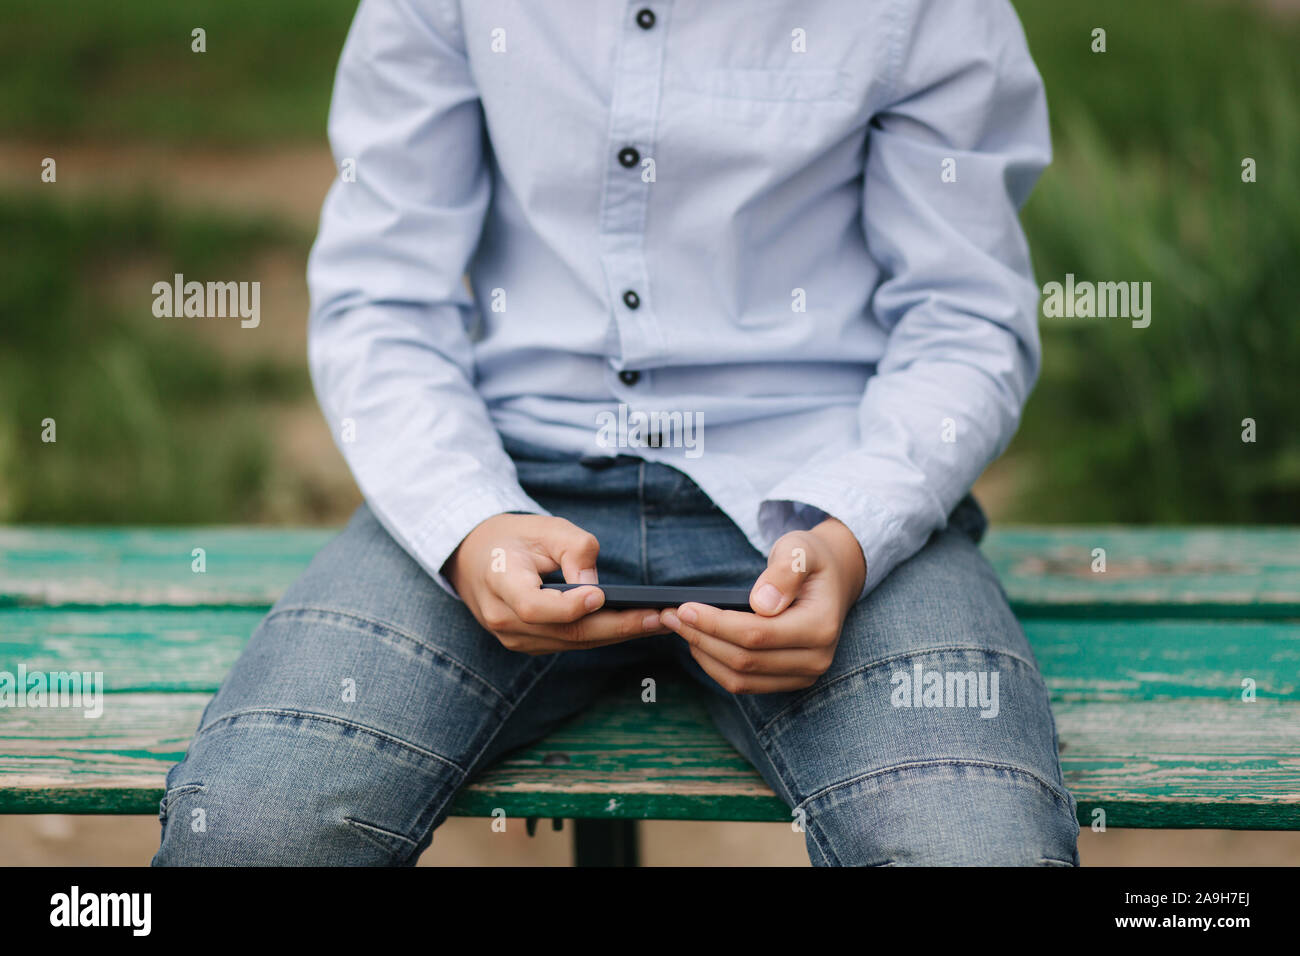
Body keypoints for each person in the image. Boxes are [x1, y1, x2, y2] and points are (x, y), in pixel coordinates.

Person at [154, 0, 1079, 866]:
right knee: (250, 827)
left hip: (820, 498)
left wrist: (849, 538)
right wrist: (469, 524)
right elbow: (382, 298)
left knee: (979, 847)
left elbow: (965, 319)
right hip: (506, 482)